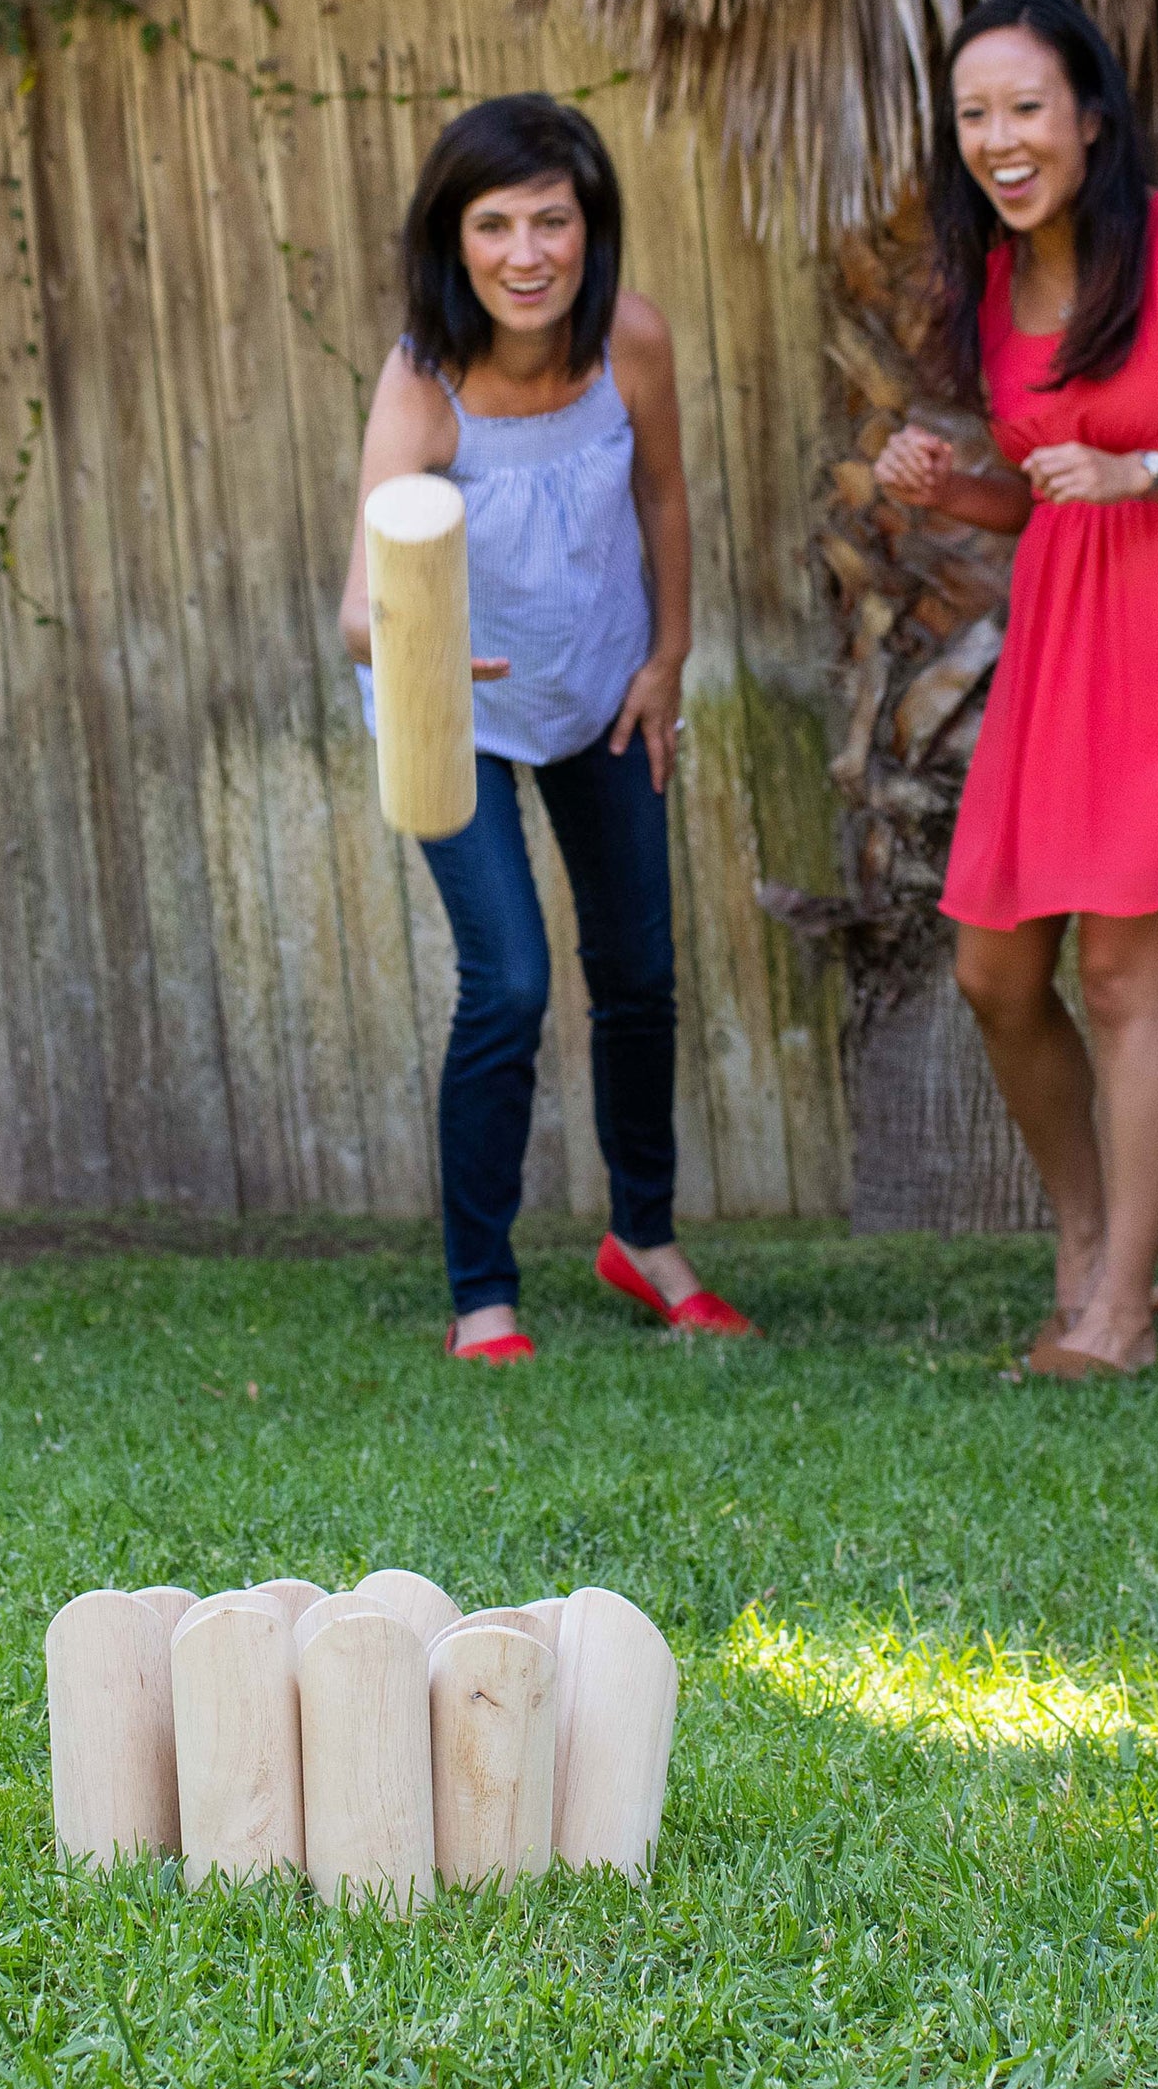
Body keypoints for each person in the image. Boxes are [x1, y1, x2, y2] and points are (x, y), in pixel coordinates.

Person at [874, 0, 1158, 1382]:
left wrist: (1147, 471)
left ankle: (1117, 1315)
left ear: (1088, 120)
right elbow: (1049, 502)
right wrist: (961, 490)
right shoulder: (998, 283)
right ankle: (1083, 1246)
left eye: (1022, 109)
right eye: (971, 117)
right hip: (1063, 647)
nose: (997, 141)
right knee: (994, 969)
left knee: (1123, 973)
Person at [340, 94, 754, 1364]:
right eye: (495, 224)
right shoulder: (424, 385)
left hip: (602, 688)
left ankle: (644, 1238)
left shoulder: (629, 342)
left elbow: (666, 495)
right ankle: (483, 1293)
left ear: (592, 228)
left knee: (637, 973)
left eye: (553, 222)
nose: (527, 253)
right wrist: (417, 649)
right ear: (452, 241)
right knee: (510, 982)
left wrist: (668, 658)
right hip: (447, 707)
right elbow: (359, 609)